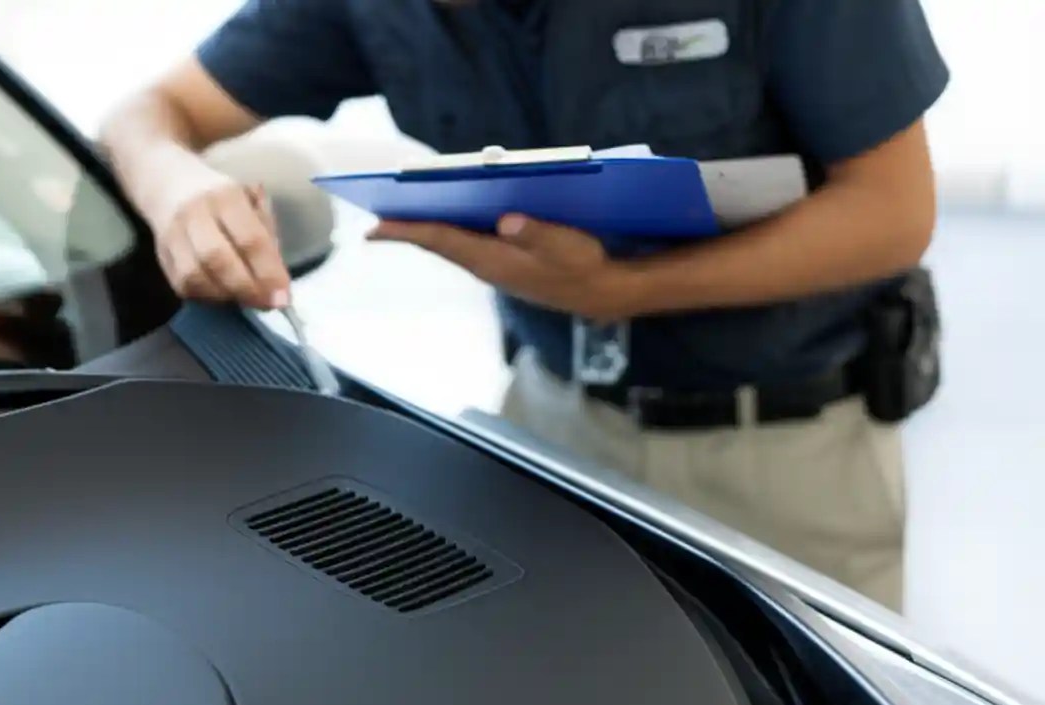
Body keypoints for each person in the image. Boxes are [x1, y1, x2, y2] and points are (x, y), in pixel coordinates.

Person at [100, 0, 949, 612]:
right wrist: (178, 185)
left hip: (789, 454)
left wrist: (622, 293)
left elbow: (893, 209)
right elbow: (147, 114)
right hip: (548, 435)